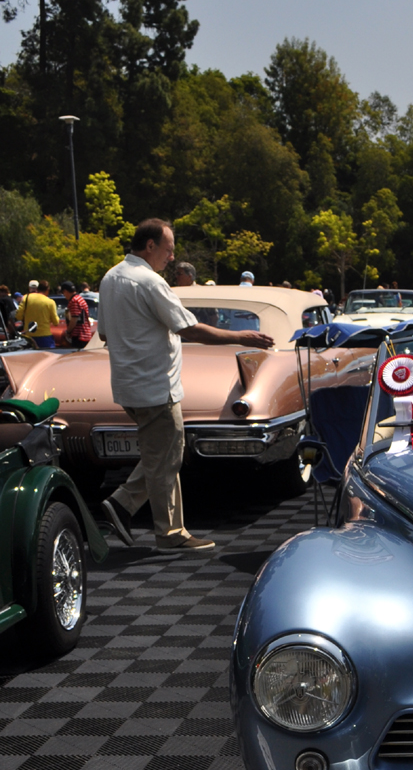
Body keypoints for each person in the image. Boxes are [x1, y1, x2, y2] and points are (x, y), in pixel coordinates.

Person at [97, 219, 274, 552]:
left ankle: (142, 514)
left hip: (127, 385)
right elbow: (189, 329)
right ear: (150, 246)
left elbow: (104, 333)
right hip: (155, 386)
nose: (172, 256)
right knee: (167, 455)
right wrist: (241, 336)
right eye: (169, 248)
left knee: (163, 453)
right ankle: (160, 528)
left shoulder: (110, 278)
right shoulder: (149, 282)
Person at [15, 279, 59, 348]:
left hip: (29, 337)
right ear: (47, 290)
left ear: (38, 289)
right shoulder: (50, 302)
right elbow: (56, 322)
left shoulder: (26, 298)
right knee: (49, 357)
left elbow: (18, 316)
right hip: (45, 336)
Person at [59, 281, 94, 349]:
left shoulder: (74, 301)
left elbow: (74, 318)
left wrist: (68, 332)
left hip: (79, 336)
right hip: (84, 334)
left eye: (63, 293)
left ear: (65, 291)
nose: (64, 295)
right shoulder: (79, 298)